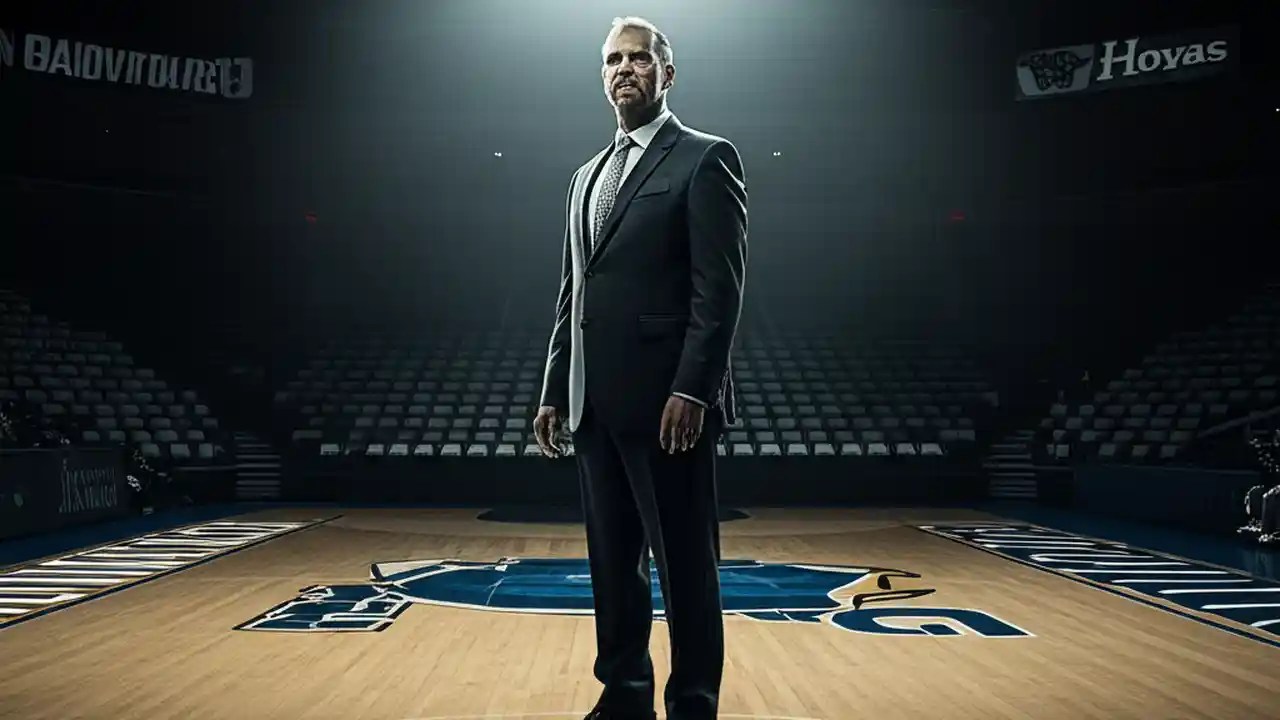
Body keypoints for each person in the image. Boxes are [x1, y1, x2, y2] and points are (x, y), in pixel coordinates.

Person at [533, 16, 747, 720]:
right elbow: (574, 293)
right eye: (612, 59)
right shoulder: (583, 177)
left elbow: (719, 290)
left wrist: (693, 386)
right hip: (595, 406)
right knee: (611, 569)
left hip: (668, 409)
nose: (624, 68)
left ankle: (693, 704)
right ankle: (624, 696)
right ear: (602, 75)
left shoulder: (705, 158)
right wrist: (554, 389)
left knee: (686, 570)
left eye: (639, 58)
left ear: (668, 72)